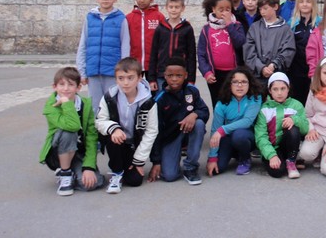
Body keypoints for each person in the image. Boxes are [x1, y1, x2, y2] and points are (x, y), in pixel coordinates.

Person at [95, 57, 158, 194]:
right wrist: (113, 128)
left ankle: (126, 165)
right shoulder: (109, 97)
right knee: (114, 137)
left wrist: (139, 160)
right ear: (116, 79)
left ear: (140, 77)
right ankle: (116, 173)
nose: (125, 83)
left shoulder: (148, 101)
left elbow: (151, 131)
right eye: (121, 78)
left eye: (130, 78)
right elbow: (100, 120)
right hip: (117, 140)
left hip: (134, 144)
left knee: (134, 180)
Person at [39, 66, 104, 196]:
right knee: (68, 132)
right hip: (57, 153)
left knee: (93, 183)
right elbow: (72, 126)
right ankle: (65, 173)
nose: (66, 88)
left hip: (78, 152)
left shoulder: (85, 105)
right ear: (54, 86)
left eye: (71, 84)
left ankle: (74, 172)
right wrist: (66, 103)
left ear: (78, 87)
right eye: (61, 84)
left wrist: (89, 167)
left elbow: (91, 136)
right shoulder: (50, 106)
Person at [148, 57, 209, 186]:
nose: (174, 79)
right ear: (164, 76)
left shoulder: (192, 91)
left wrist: (194, 114)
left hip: (189, 131)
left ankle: (190, 167)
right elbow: (155, 130)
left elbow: (204, 111)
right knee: (169, 176)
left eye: (179, 75)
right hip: (170, 137)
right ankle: (172, 157)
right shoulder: (159, 99)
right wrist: (156, 162)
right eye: (170, 75)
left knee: (199, 123)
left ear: (185, 75)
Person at [76, 0, 130, 114]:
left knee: (112, 105)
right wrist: (82, 70)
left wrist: (123, 71)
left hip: (112, 71)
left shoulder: (121, 19)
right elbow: (83, 44)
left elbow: (125, 46)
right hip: (93, 70)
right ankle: (95, 134)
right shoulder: (90, 18)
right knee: (94, 107)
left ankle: (110, 133)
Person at [206, 67, 263, 176]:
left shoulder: (255, 97)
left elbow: (247, 121)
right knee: (217, 169)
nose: (240, 85)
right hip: (228, 137)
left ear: (249, 84)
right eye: (235, 82)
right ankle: (235, 154)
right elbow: (215, 130)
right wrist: (212, 157)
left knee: (239, 135)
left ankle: (245, 159)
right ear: (229, 84)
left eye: (244, 82)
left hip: (248, 136)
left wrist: (222, 130)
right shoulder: (222, 103)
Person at [254, 72, 310, 179]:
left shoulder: (296, 105)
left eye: (283, 88)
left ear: (288, 89)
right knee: (278, 172)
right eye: (275, 89)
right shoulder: (264, 109)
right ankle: (280, 160)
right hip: (272, 147)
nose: (279, 93)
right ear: (270, 91)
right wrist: (271, 155)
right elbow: (260, 136)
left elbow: (305, 129)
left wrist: (294, 119)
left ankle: (291, 160)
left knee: (293, 129)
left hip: (288, 145)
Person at [197, 0, 246, 109]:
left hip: (233, 72)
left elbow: (240, 43)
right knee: (218, 104)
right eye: (221, 9)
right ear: (213, 9)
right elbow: (201, 53)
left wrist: (229, 24)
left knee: (234, 102)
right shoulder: (207, 29)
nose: (224, 12)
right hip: (215, 74)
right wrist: (206, 72)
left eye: (227, 9)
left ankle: (232, 127)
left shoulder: (237, 25)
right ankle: (218, 127)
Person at [242, 0, 296, 90]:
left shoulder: (285, 29)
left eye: (265, 8)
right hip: (257, 77)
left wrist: (274, 65)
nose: (262, 12)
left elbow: (288, 51)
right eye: (260, 9)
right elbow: (249, 51)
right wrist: (261, 67)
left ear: (275, 7)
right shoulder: (255, 27)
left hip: (277, 76)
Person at [147, 0, 196, 91]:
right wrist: (152, 78)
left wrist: (191, 79)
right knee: (162, 101)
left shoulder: (187, 28)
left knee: (180, 102)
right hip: (162, 73)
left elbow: (191, 55)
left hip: (180, 73)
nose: (174, 10)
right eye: (171, 7)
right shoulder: (160, 28)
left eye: (177, 7)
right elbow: (153, 53)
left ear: (182, 8)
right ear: (166, 8)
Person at [126, 0, 166, 78]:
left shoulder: (159, 17)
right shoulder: (128, 18)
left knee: (153, 91)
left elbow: (164, 39)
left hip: (153, 64)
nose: (142, 0)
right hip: (134, 63)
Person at [288, 0, 321, 104]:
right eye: (301, 1)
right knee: (298, 100)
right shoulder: (291, 23)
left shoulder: (320, 23)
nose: (305, 4)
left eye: (308, 1)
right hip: (296, 69)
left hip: (314, 69)